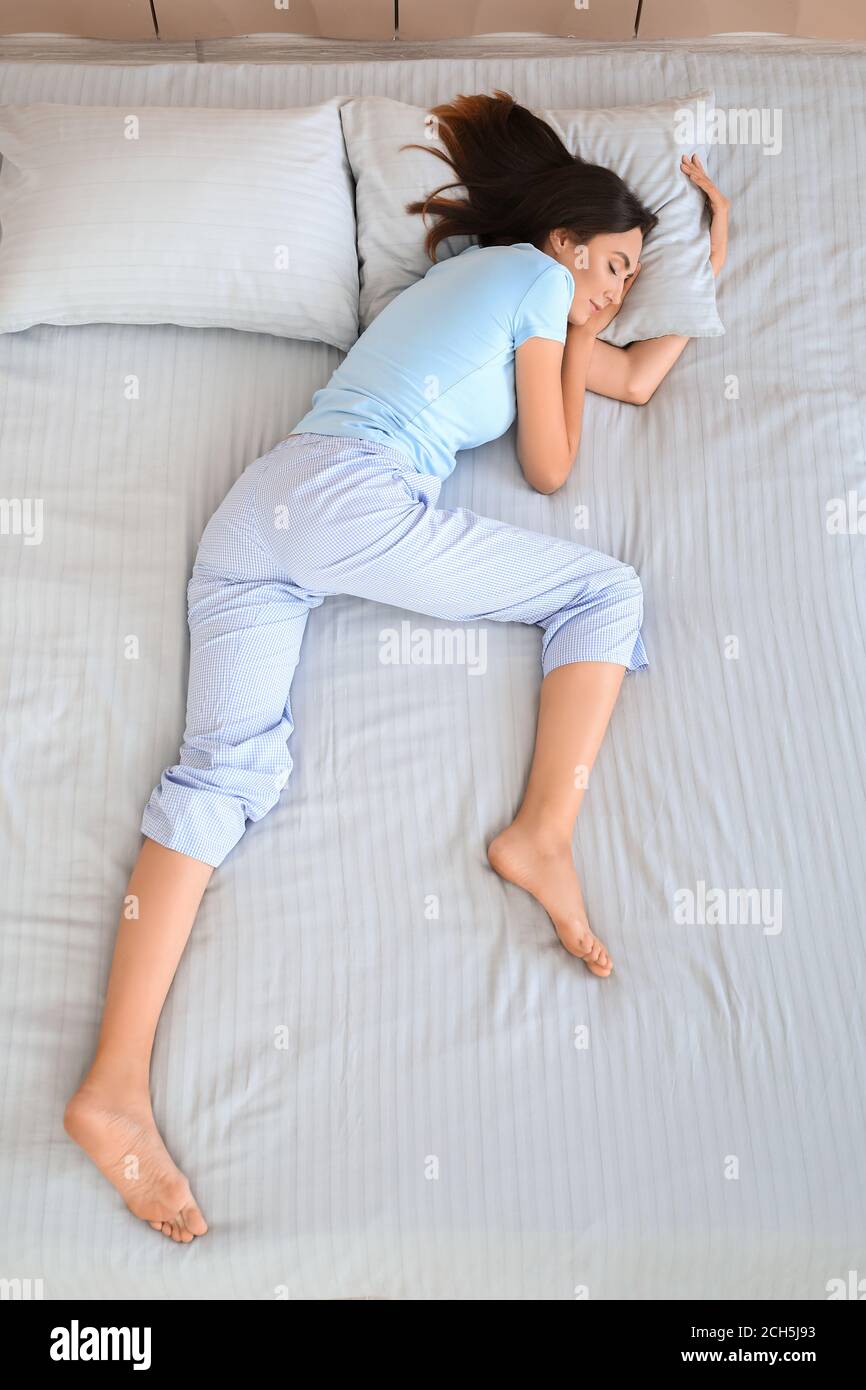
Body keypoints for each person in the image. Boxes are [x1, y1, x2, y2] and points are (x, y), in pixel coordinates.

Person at [64, 91, 730, 1241]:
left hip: (260, 516)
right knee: (600, 589)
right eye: (612, 266)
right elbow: (552, 466)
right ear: (561, 239)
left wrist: (702, 263)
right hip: (349, 495)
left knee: (219, 782)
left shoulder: (479, 286)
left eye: (630, 282)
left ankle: (111, 1087)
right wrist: (580, 325)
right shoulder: (528, 279)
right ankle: (540, 835)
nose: (615, 296)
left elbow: (630, 379)